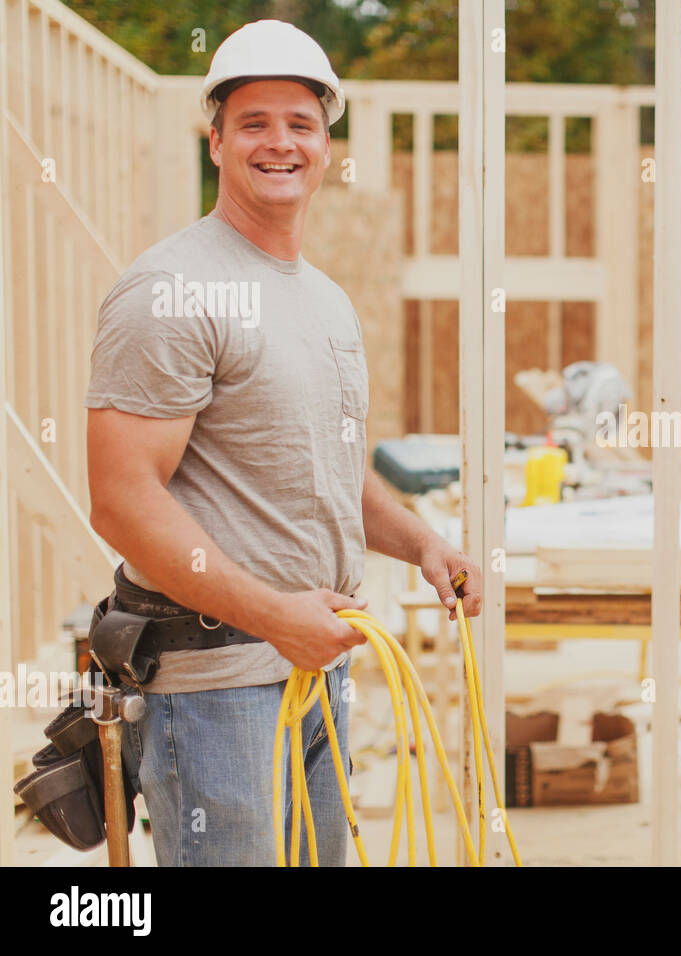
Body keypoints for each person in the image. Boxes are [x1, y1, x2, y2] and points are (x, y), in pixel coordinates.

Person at [83, 19, 482, 866]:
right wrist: (273, 617)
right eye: (255, 122)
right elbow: (121, 499)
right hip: (215, 687)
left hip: (314, 673)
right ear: (216, 139)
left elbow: (329, 470)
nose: (280, 143)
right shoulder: (171, 289)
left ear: (326, 143)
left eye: (300, 124)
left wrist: (422, 544)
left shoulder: (325, 299)